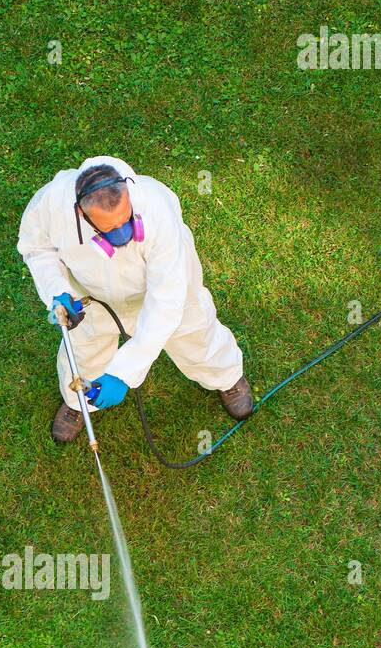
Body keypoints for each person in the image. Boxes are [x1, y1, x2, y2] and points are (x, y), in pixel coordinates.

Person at [17, 155, 253, 443]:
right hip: (90, 292)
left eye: (126, 220)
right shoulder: (51, 204)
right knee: (83, 347)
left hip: (165, 285)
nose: (124, 235)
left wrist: (123, 373)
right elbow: (36, 247)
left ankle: (225, 378)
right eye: (111, 229)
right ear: (80, 213)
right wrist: (56, 289)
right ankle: (79, 402)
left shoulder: (156, 209)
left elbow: (166, 305)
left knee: (194, 333)